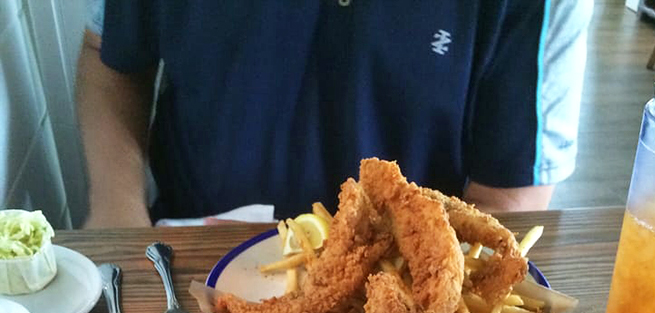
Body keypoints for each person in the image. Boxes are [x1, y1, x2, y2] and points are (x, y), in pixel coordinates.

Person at [77, 1, 594, 228]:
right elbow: (110, 57)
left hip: (408, 296)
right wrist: (117, 213)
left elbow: (507, 200)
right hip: (191, 261)